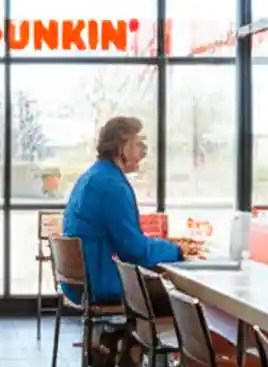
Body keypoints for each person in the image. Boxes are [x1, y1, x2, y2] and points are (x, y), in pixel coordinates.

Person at [60, 116, 194, 304]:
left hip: (78, 282)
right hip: (101, 284)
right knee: (183, 298)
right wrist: (176, 251)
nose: (143, 152)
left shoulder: (91, 177)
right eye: (138, 144)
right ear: (121, 146)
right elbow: (134, 250)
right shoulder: (113, 185)